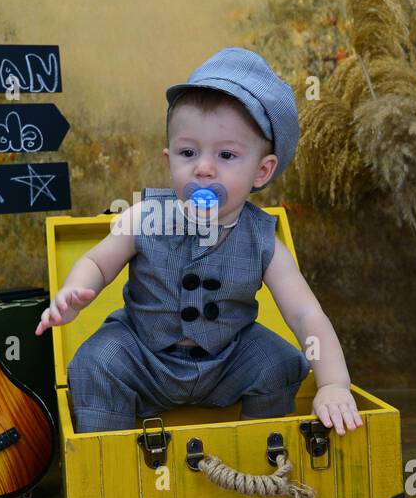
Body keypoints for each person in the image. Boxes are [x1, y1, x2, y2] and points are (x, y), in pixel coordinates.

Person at [35, 46, 363, 436]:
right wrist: (75, 289)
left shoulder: (263, 241)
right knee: (95, 362)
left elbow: (306, 315)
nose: (204, 168)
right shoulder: (145, 216)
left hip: (228, 361)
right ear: (168, 157)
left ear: (262, 170)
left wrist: (333, 384)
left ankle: (262, 452)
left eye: (226, 155)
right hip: (143, 355)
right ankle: (111, 462)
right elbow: (98, 262)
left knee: (279, 363)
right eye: (188, 152)